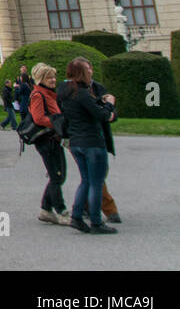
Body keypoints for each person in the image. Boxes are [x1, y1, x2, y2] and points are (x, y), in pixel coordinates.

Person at [57, 57, 117, 234]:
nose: (90, 72)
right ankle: (96, 222)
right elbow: (101, 115)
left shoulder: (64, 92)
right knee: (96, 183)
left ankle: (76, 217)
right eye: (87, 69)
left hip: (76, 141)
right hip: (92, 142)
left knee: (85, 180)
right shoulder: (82, 93)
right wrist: (110, 106)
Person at [28, 62, 70, 226]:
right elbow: (38, 118)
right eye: (49, 77)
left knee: (58, 176)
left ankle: (46, 209)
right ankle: (61, 211)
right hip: (46, 140)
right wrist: (56, 124)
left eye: (53, 76)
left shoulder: (49, 93)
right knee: (56, 177)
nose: (53, 80)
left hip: (54, 139)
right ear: (40, 80)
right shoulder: (38, 95)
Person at [90, 73, 122, 224]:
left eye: (89, 69)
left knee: (96, 173)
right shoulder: (73, 90)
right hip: (83, 139)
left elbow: (111, 113)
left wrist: (111, 114)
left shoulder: (98, 88)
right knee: (97, 173)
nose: (88, 73)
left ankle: (85, 205)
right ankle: (110, 209)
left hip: (100, 137)